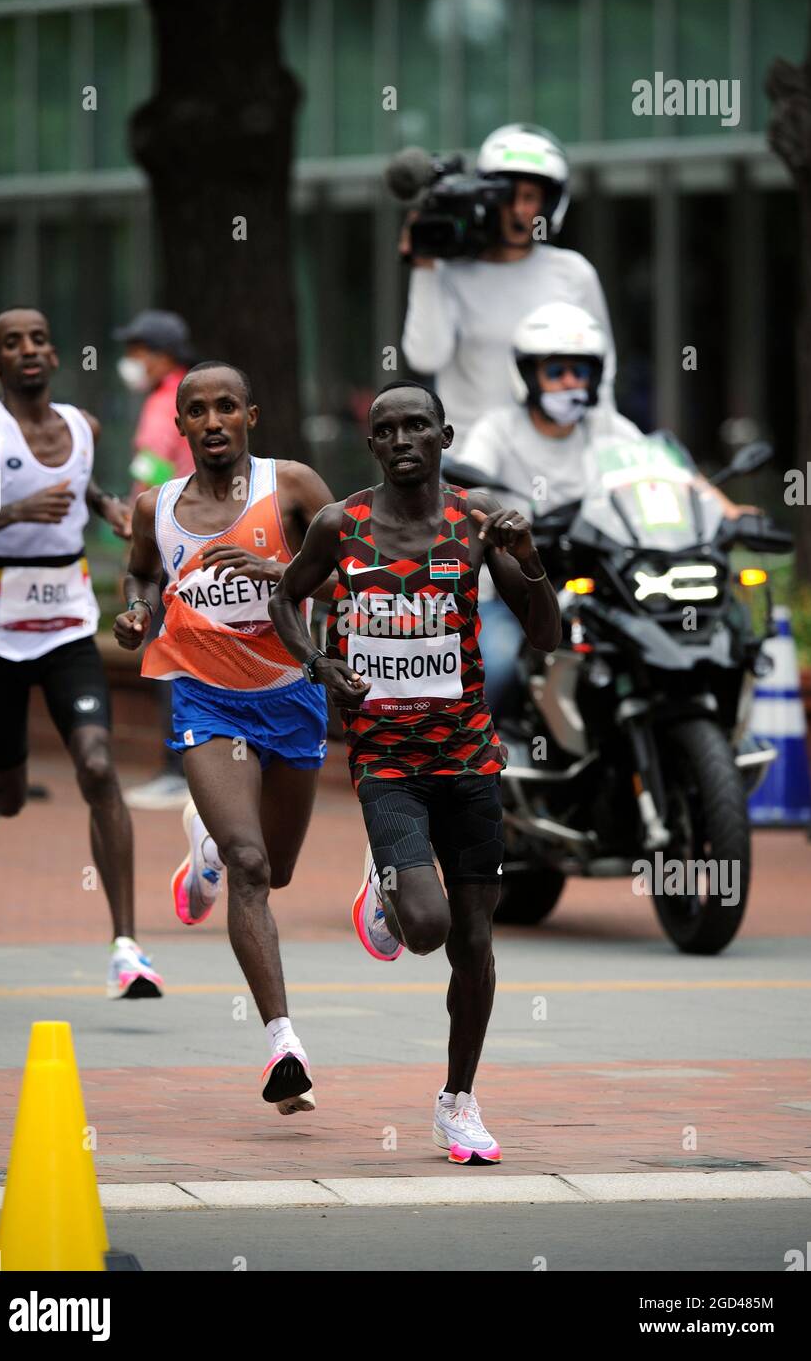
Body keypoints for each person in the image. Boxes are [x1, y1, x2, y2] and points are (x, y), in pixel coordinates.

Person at [269, 380, 561, 1163]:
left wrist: (527, 560)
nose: (403, 440)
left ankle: (458, 1102)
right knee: (427, 930)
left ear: (444, 436)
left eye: (417, 427)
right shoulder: (341, 525)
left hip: (467, 756)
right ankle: (391, 891)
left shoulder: (475, 525)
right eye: (387, 430)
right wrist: (319, 664)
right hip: (387, 761)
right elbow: (286, 598)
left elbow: (546, 635)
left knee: (473, 941)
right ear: (371, 446)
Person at [114, 360, 336, 1115]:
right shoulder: (157, 506)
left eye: (226, 408)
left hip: (291, 696)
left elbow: (357, 569)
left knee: (274, 871)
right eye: (197, 410)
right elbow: (142, 574)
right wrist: (138, 613)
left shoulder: (295, 487)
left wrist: (280, 568)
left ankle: (202, 854)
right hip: (205, 696)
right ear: (180, 426)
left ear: (250, 415)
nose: (212, 421)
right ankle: (283, 1044)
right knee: (250, 864)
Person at [0, 307, 163, 999]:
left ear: (52, 353)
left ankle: (127, 950)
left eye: (39, 339)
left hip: (68, 624)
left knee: (99, 766)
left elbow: (80, 489)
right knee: (14, 795)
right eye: (11, 343)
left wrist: (107, 505)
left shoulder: (84, 426)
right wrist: (15, 513)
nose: (28, 350)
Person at [457, 301, 759, 719]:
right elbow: (463, 495)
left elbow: (669, 472)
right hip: (516, 589)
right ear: (529, 375)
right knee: (500, 662)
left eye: (578, 372)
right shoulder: (497, 430)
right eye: (555, 371)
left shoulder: (608, 426)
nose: (568, 383)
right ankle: (471, 768)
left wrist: (727, 511)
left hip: (601, 582)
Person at [401, 123, 616, 440]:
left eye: (529, 197)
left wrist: (605, 446)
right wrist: (424, 268)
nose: (518, 209)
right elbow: (425, 356)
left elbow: (603, 373)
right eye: (506, 197)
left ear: (550, 203)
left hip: (552, 457)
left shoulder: (573, 272)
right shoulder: (450, 271)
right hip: (469, 465)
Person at [113, 308, 195, 811]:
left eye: (136, 351)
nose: (130, 361)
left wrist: (133, 527)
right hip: (200, 540)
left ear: (160, 355)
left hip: (169, 543)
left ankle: (176, 768)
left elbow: (152, 469)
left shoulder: (166, 400)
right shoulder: (192, 392)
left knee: (168, 653)